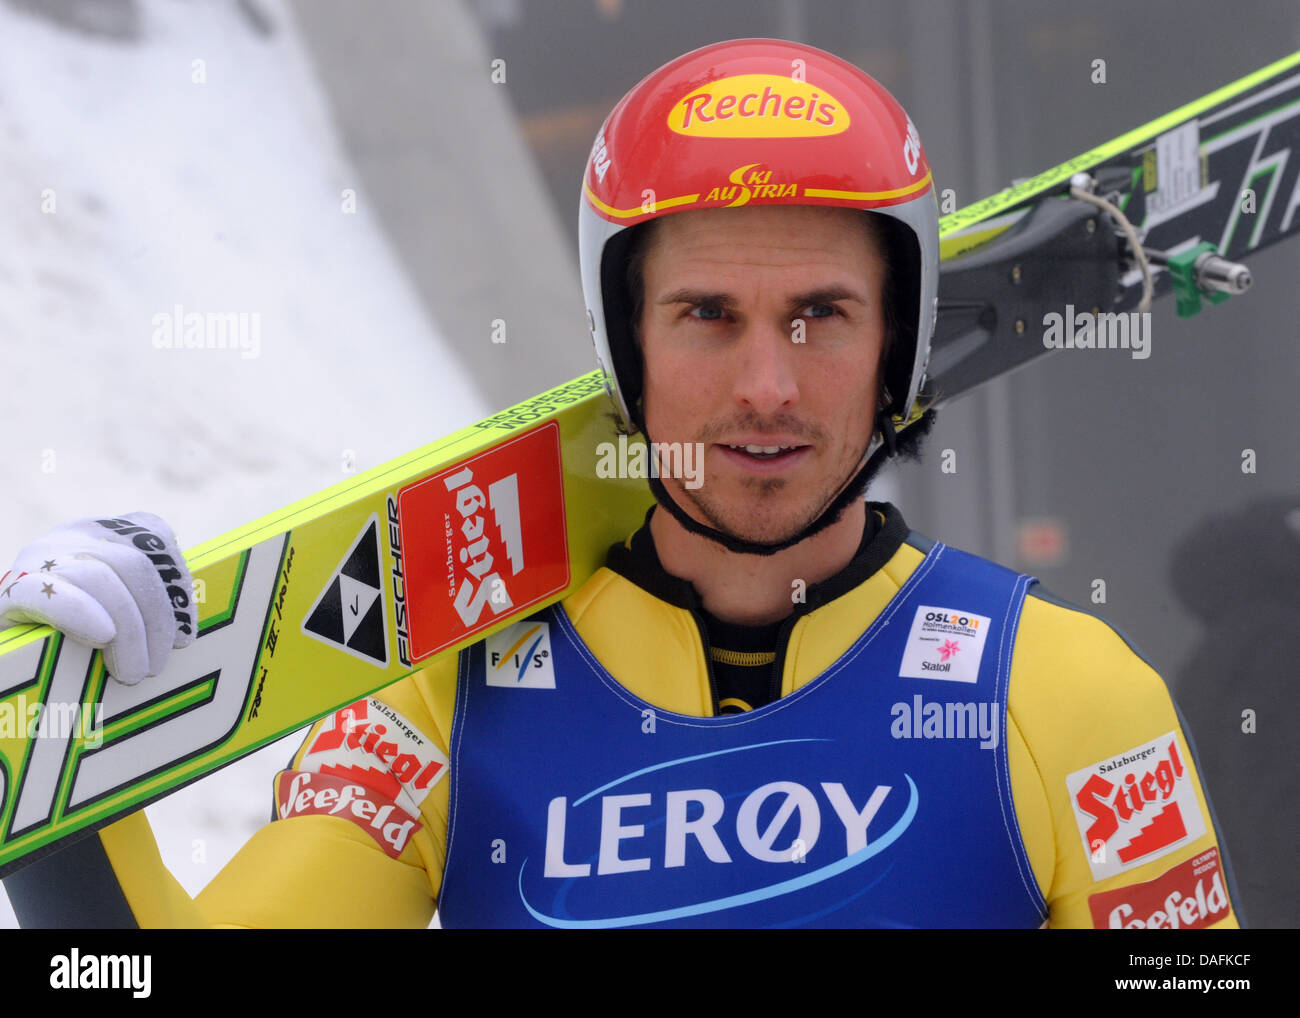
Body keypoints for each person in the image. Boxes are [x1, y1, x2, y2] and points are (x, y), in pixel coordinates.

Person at [2, 38, 1240, 929]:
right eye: (706, 313)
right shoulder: (448, 703)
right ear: (626, 345)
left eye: (820, 314)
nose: (766, 383)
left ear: (896, 348)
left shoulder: (1067, 696)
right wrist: (51, 753)